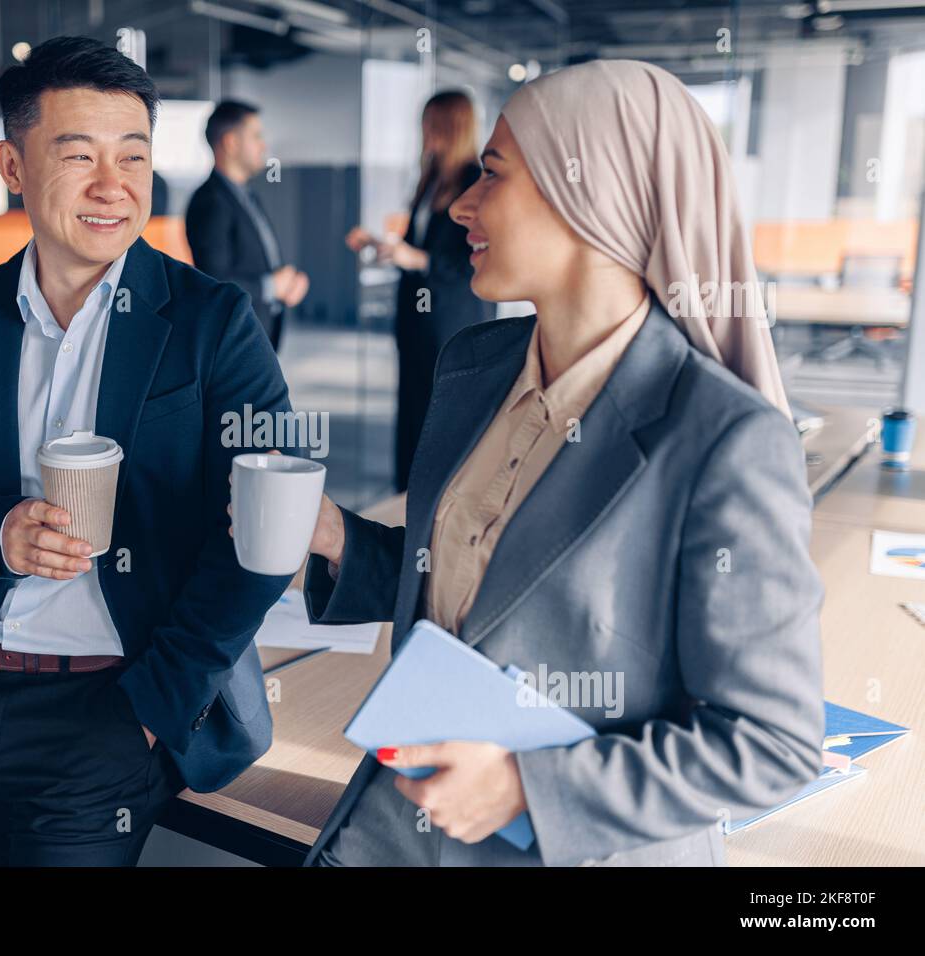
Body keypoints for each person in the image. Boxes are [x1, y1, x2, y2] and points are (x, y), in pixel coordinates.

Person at [297, 60, 824, 866]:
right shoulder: (474, 367)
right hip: (395, 836)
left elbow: (771, 744)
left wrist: (526, 785)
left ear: (594, 196)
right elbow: (488, 588)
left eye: (493, 174)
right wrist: (342, 539)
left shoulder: (725, 439)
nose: (465, 203)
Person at [0, 36, 293, 867]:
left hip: (115, 705)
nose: (114, 186)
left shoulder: (211, 321)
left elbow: (265, 535)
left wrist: (150, 709)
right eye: (79, 156)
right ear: (13, 165)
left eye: (133, 156)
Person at [347, 90, 486, 492]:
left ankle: (438, 498)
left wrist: (415, 259)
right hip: (416, 319)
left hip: (449, 319)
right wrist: (380, 246)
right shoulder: (431, 180)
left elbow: (463, 262)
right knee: (412, 409)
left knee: (442, 409)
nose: (423, 132)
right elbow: (417, 248)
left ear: (450, 127)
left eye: (430, 123)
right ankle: (407, 497)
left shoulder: (471, 182)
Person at [185, 100, 308, 351]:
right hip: (236, 340)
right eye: (256, 136)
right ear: (231, 142)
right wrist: (273, 286)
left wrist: (289, 282)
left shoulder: (247, 196)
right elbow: (214, 280)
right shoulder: (210, 202)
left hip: (259, 332)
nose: (263, 145)